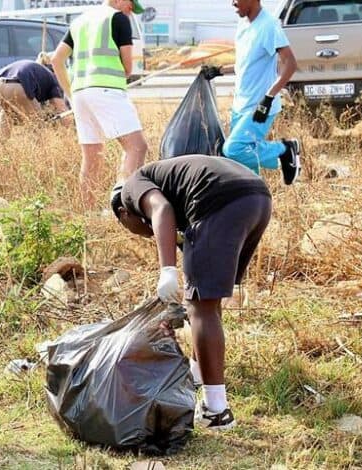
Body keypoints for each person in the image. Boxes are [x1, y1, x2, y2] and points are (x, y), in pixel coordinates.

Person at [111, 155, 272, 430]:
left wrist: (167, 270)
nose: (143, 231)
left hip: (220, 199)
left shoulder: (131, 188)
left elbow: (160, 209)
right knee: (207, 301)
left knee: (200, 306)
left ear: (125, 213)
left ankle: (216, 412)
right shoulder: (176, 192)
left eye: (130, 227)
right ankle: (197, 376)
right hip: (257, 199)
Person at [51, 0, 149, 210]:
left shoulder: (80, 22)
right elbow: (128, 68)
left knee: (92, 156)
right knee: (137, 147)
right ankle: (123, 208)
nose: (130, 13)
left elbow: (56, 60)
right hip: (107, 90)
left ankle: (88, 214)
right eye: (130, 6)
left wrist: (70, 94)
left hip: (80, 94)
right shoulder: (118, 18)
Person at [201, 0, 301, 185]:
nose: (233, 3)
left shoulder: (268, 25)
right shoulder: (243, 25)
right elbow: (245, 65)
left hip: (260, 106)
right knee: (243, 166)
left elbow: (290, 64)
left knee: (234, 149)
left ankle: (284, 150)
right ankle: (255, 196)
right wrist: (218, 70)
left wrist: (269, 97)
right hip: (240, 105)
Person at [0, 53, 70, 137]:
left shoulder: (36, 68)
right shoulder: (52, 77)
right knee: (37, 122)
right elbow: (61, 108)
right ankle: (37, 145)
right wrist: (69, 131)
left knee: (7, 113)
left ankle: (3, 143)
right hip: (17, 86)